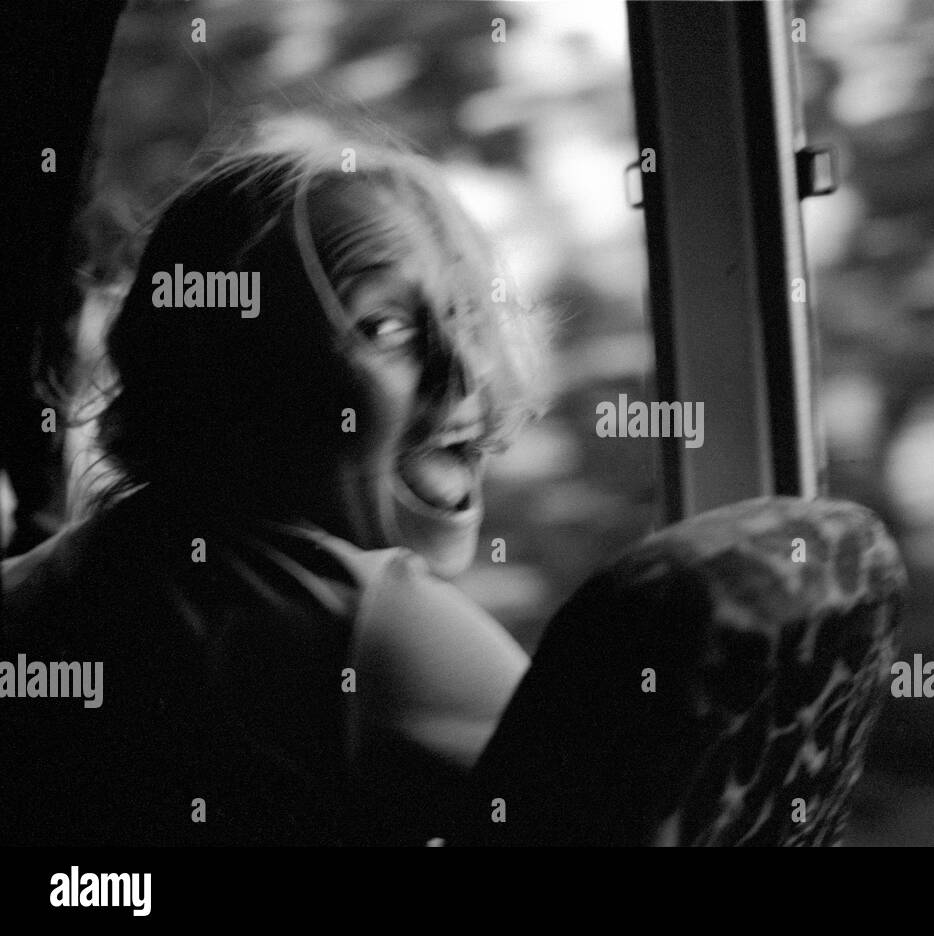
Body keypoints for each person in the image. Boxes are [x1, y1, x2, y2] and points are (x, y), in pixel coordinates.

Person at [0, 117, 547, 845]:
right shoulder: (358, 624)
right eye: (384, 327)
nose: (469, 369)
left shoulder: (62, 581)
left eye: (464, 313)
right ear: (237, 386)